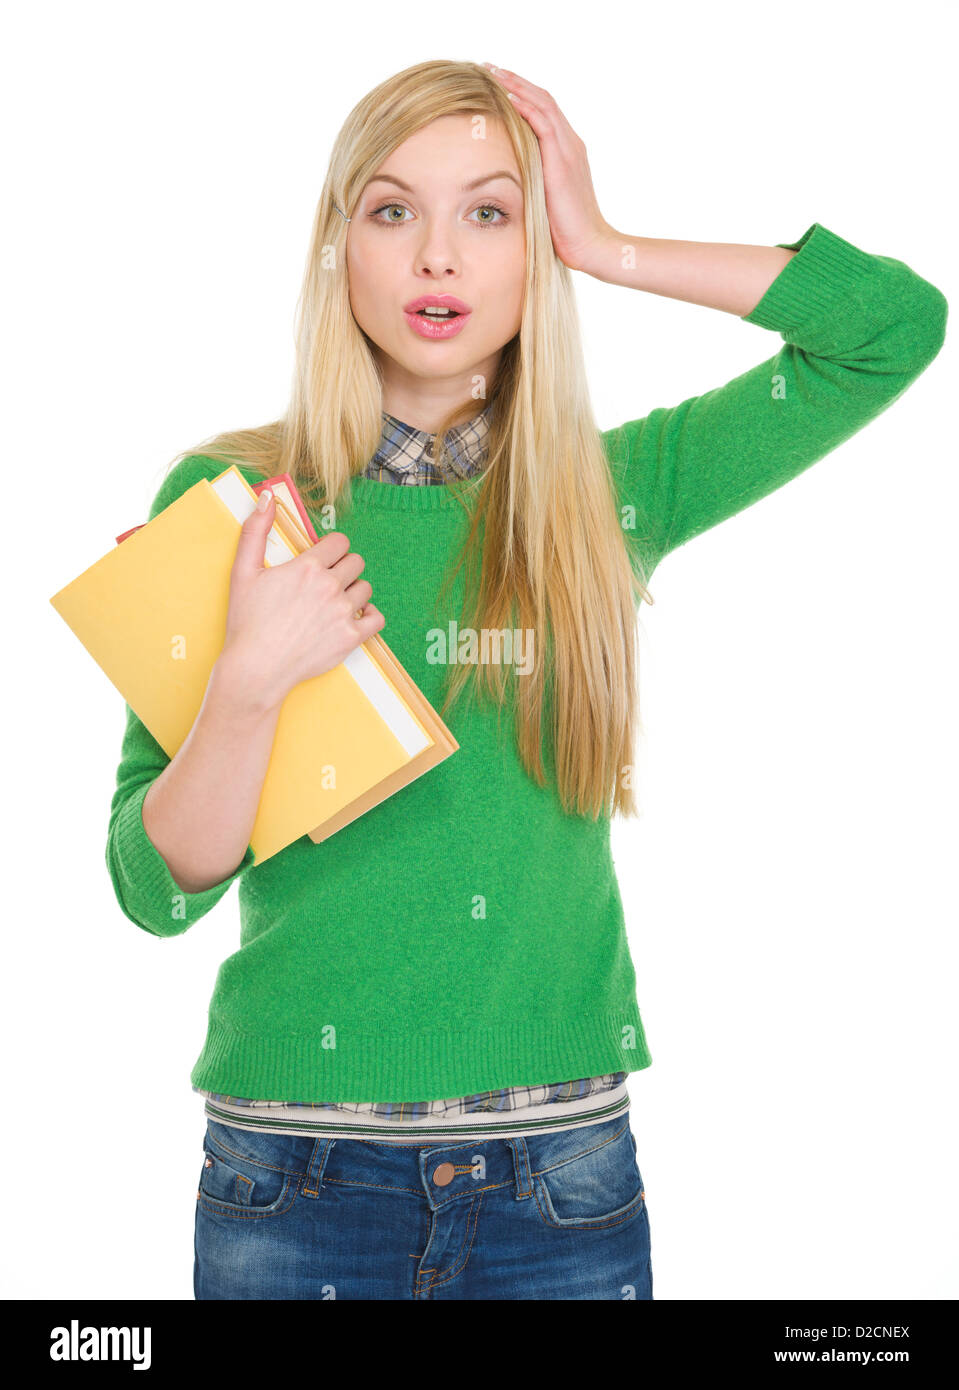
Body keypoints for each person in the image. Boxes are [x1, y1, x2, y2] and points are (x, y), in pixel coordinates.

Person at [105, 60, 947, 1301]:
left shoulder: (602, 495)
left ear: (531, 248)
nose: (436, 256)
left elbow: (890, 330)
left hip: (557, 1183)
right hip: (290, 1178)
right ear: (337, 247)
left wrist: (607, 246)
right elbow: (152, 889)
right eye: (392, 211)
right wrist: (247, 683)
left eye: (488, 212)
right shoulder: (233, 505)